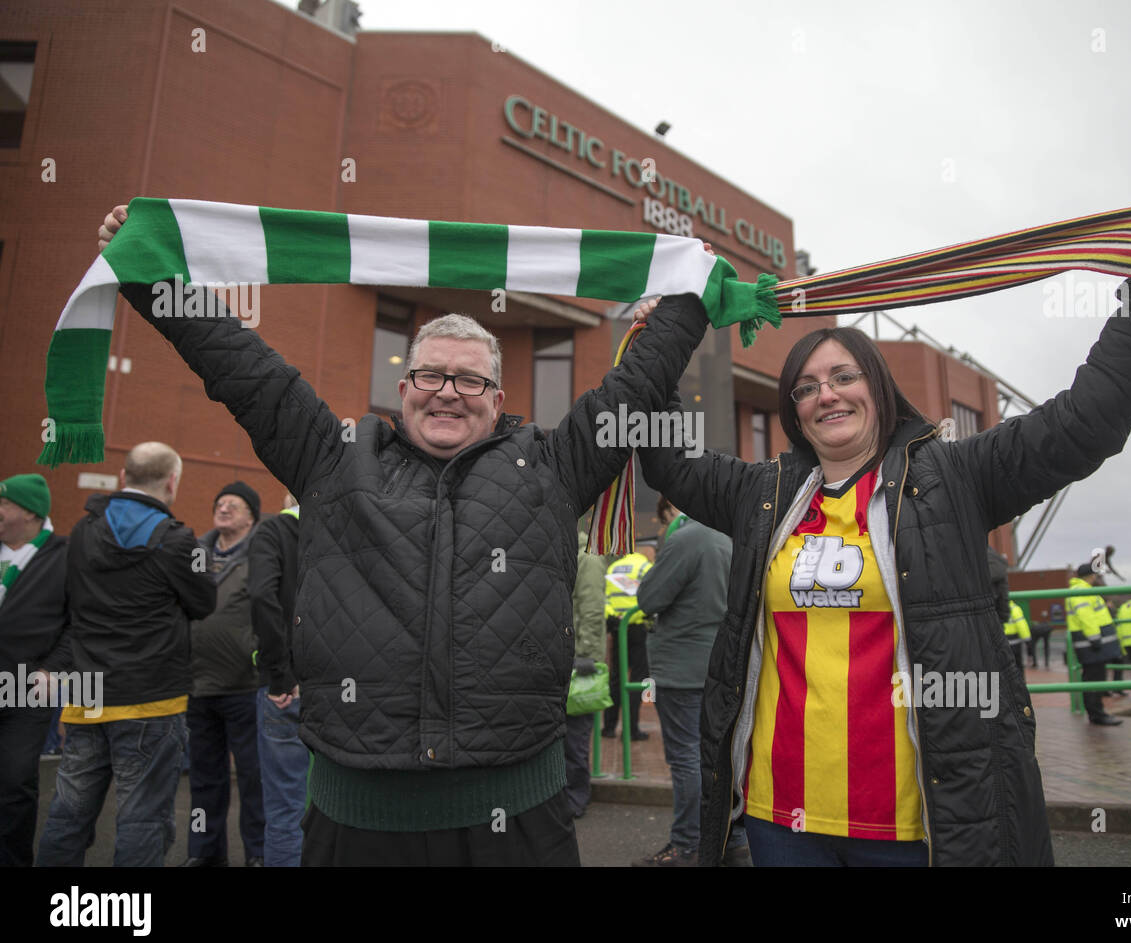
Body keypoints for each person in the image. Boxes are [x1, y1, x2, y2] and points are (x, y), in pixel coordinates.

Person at [98, 205, 713, 866]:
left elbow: (636, 386)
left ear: (497, 399)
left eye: (471, 379)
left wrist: (688, 296)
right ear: (403, 388)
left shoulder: (552, 468)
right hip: (356, 825)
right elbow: (242, 368)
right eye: (431, 375)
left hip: (521, 825)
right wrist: (149, 274)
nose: (449, 392)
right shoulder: (332, 458)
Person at [632, 206, 1131, 867]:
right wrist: (660, 337)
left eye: (843, 377)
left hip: (919, 823)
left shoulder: (954, 474)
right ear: (793, 411)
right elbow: (667, 460)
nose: (825, 395)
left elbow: (1087, 422)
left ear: (878, 390)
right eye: (805, 387)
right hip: (781, 820)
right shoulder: (763, 495)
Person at [37, 442, 217, 866]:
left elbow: (70, 605)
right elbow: (205, 601)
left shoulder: (81, 531)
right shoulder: (179, 541)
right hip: (150, 703)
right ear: (172, 483)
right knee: (142, 820)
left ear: (123, 476)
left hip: (87, 698)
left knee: (67, 815)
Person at [632, 499, 733, 866]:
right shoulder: (727, 536)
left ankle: (685, 844)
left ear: (671, 511)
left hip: (680, 666)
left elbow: (649, 598)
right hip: (715, 664)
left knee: (685, 758)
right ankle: (722, 838)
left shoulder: (687, 539)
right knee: (713, 756)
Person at [182, 481, 265, 867]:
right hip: (197, 687)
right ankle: (203, 855)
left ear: (252, 515)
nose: (224, 507)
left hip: (245, 688)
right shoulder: (195, 553)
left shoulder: (262, 555)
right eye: (220, 502)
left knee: (254, 781)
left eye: (234, 503)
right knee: (204, 781)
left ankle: (257, 855)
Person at [0, 474, 68, 866]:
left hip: (25, 692)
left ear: (28, 512)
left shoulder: (62, 556)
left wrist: (53, 670)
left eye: (3, 504)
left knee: (13, 784)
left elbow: (79, 624)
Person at [247, 493, 310, 866]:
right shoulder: (348, 528)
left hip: (287, 692)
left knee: (285, 806)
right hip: (339, 688)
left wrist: (279, 677)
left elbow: (261, 597)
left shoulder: (272, 531)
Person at [563, 526, 606, 820]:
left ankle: (576, 797)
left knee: (575, 735)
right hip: (566, 656)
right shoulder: (572, 554)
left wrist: (587, 654)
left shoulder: (585, 557)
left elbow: (591, 609)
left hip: (577, 659)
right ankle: (568, 796)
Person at [602, 549, 652, 741]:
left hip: (617, 627)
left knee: (616, 677)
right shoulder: (646, 567)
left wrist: (614, 617)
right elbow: (651, 598)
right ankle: (631, 730)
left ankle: (609, 727)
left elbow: (604, 598)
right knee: (638, 679)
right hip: (639, 628)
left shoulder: (613, 568)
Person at [1067, 565, 1124, 724]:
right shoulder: (1081, 590)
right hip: (1091, 643)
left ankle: (1097, 713)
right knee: (1094, 678)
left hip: (1091, 642)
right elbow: (1086, 616)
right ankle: (1097, 714)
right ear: (1091, 576)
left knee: (1095, 677)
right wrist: (1095, 638)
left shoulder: (1081, 589)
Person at [1004, 600, 1031, 674]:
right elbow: (1021, 625)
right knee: (1018, 666)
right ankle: (1020, 683)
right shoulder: (1014, 608)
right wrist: (1027, 640)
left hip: (1002, 642)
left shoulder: (994, 609)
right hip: (1015, 642)